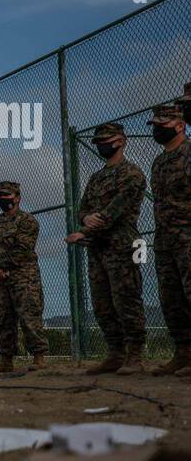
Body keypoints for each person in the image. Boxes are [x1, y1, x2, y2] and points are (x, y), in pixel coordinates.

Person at [65, 123, 147, 374]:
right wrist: (86, 220)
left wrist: (85, 230)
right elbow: (82, 210)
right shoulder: (96, 177)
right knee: (102, 303)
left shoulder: (132, 174)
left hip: (123, 245)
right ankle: (115, 352)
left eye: (106, 140)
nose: (101, 145)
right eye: (98, 141)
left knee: (127, 299)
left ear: (121, 140)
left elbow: (113, 213)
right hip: (98, 249)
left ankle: (135, 355)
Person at [0, 180, 48, 371]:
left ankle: (39, 357)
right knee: (2, 318)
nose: (3, 199)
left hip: (24, 277)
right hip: (0, 279)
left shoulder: (27, 221)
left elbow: (23, 248)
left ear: (17, 198)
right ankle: (6, 359)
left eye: (7, 195)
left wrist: (4, 267)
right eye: (0, 195)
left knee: (29, 314)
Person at [147, 103, 191, 376]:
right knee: (171, 298)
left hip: (188, 235)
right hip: (165, 239)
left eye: (163, 125)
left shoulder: (189, 153)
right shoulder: (160, 161)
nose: (158, 129)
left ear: (179, 124)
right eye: (155, 125)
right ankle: (184, 352)